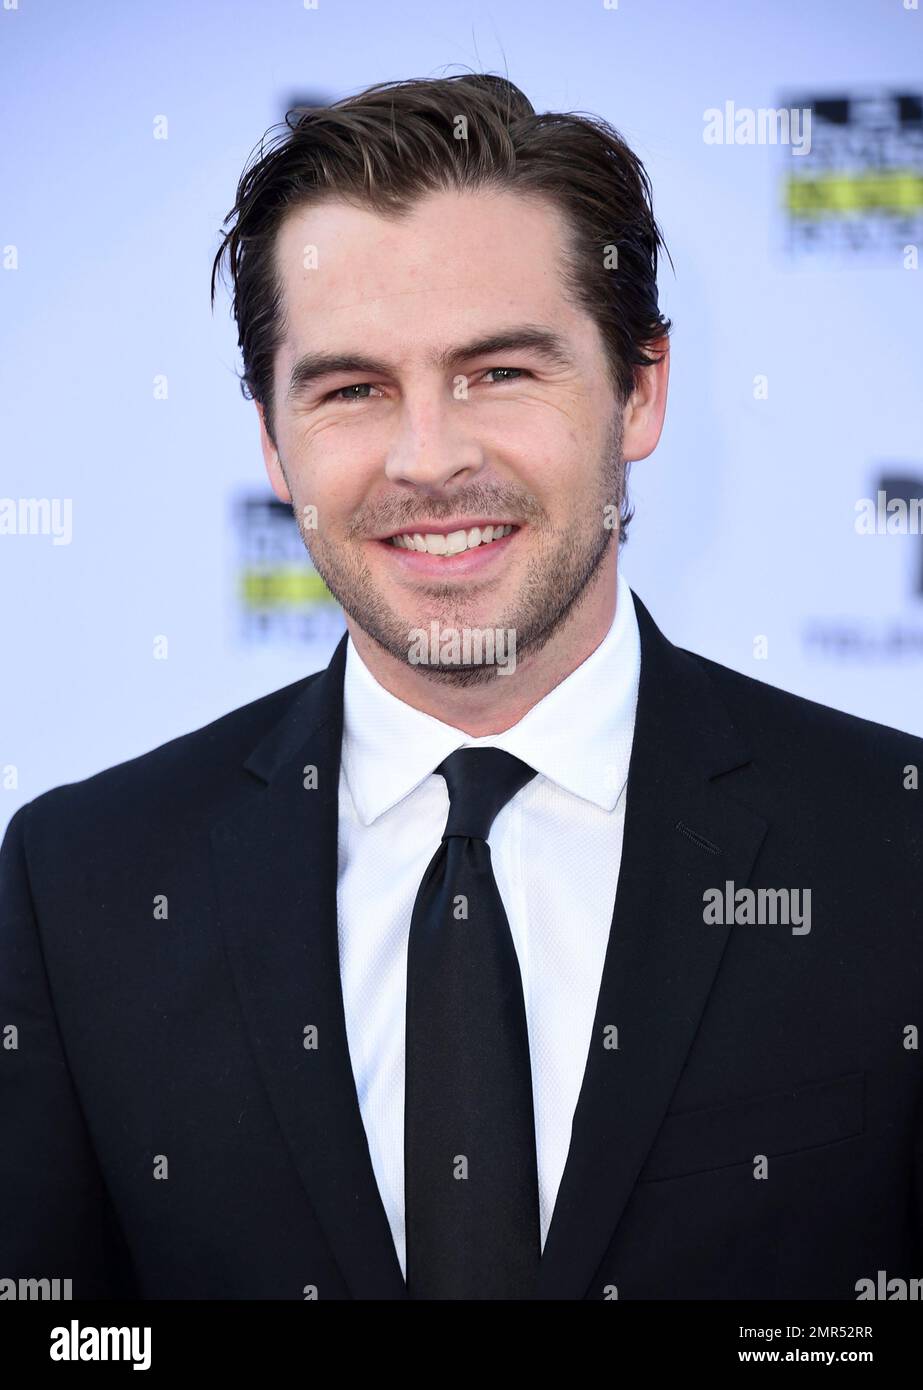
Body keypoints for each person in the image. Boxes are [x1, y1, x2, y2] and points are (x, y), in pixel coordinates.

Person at [1, 73, 920, 1302]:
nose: (429, 458)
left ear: (640, 389)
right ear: (273, 445)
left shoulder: (891, 844)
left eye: (497, 373)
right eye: (350, 389)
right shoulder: (84, 885)